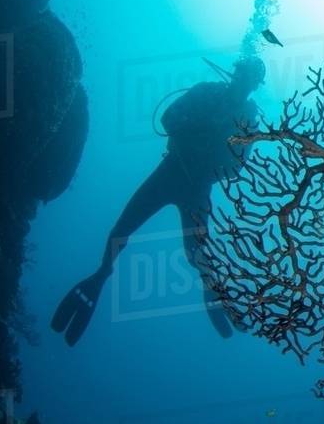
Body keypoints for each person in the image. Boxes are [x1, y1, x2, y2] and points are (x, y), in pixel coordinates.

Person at [51, 56, 265, 346]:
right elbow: (167, 118)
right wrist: (199, 128)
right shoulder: (206, 92)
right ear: (235, 74)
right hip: (171, 171)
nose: (242, 83)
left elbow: (236, 167)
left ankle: (211, 289)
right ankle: (100, 276)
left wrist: (213, 154)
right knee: (120, 231)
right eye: (241, 75)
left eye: (249, 80)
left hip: (198, 188)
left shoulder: (248, 118)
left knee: (197, 254)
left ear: (254, 86)